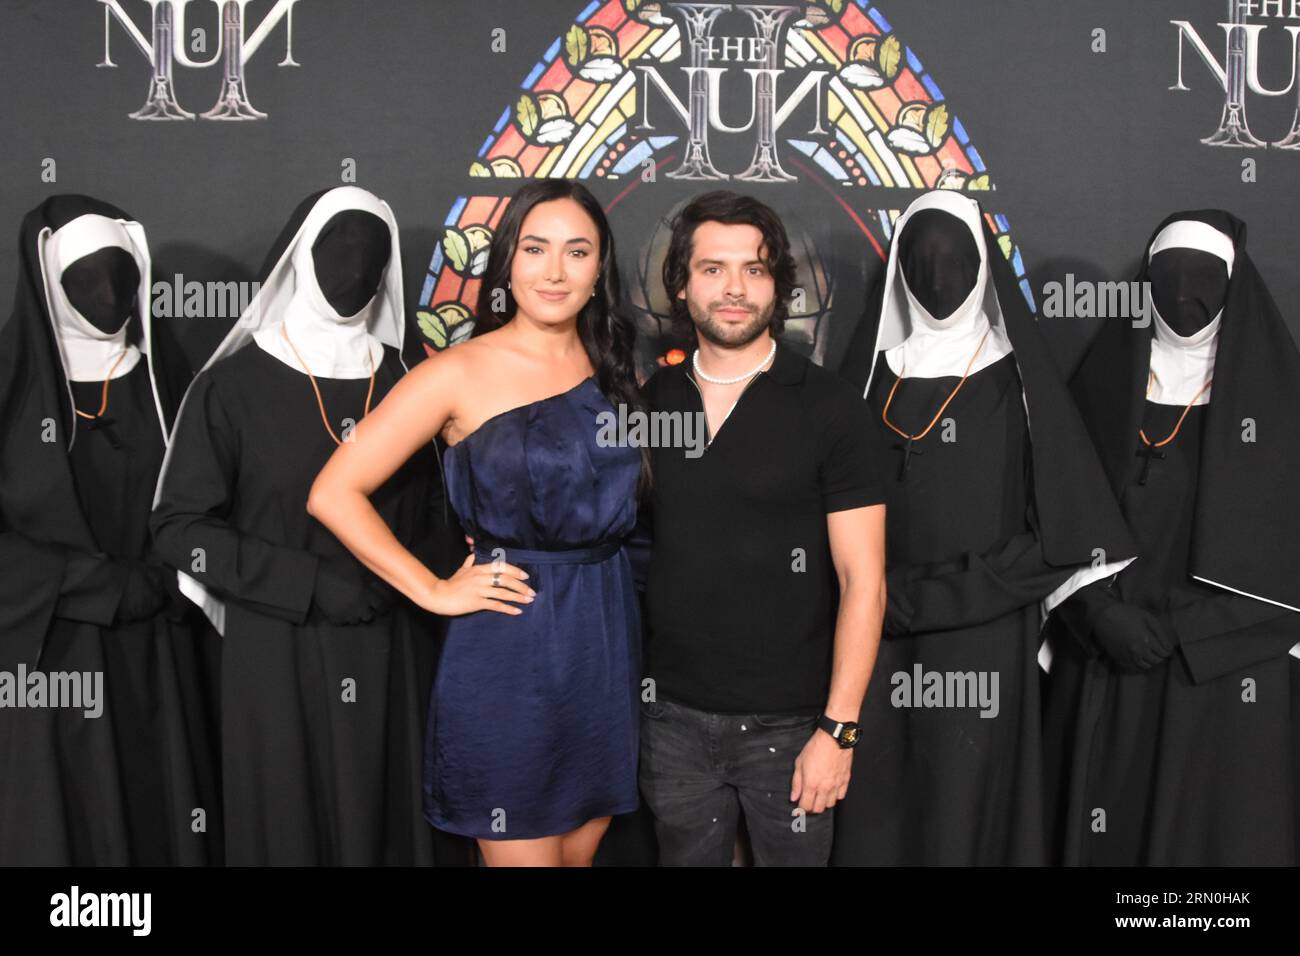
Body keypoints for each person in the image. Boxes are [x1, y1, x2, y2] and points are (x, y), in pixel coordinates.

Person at [307, 180, 647, 867]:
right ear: (507, 264)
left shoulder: (618, 369)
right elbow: (334, 490)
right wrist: (432, 589)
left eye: (577, 252)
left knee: (581, 857)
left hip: (604, 641)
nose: (554, 271)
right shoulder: (456, 372)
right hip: (507, 646)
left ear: (599, 269)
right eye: (535, 249)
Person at [832, 189, 1135, 865]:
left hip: (982, 644)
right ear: (898, 266)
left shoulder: (1018, 383)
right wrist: (877, 600)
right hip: (870, 643)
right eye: (921, 256)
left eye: (955, 256)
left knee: (965, 821)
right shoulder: (866, 380)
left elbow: (1066, 534)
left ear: (983, 265)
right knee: (877, 818)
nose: (938, 275)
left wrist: (933, 597)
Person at [150, 185, 440, 865]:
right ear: (299, 257)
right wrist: (306, 582)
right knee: (290, 822)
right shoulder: (232, 386)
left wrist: (409, 580)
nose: (354, 268)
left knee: (395, 820)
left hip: (397, 647)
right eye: (336, 247)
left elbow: (438, 512)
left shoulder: (412, 378)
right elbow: (179, 528)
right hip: (278, 648)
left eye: (371, 254)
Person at [635, 190, 887, 867]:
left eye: (755, 269)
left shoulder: (831, 407)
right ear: (681, 287)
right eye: (713, 269)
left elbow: (863, 580)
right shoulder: (650, 403)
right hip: (670, 722)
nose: (735, 289)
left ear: (779, 287)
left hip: (792, 725)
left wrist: (838, 730)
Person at [1043, 210, 1300, 865]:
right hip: (1110, 661)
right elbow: (1051, 516)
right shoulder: (1100, 388)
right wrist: (1097, 613)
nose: (1184, 294)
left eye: (1204, 279)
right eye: (1168, 277)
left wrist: (1190, 631)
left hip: (1221, 677)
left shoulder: (1278, 405)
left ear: (1234, 287)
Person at [0, 194, 219, 865]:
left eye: (121, 275)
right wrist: (89, 583)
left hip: (164, 648)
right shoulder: (10, 387)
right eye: (85, 278)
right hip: (50, 651)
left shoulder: (171, 381)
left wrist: (173, 574)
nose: (108, 294)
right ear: (48, 285)